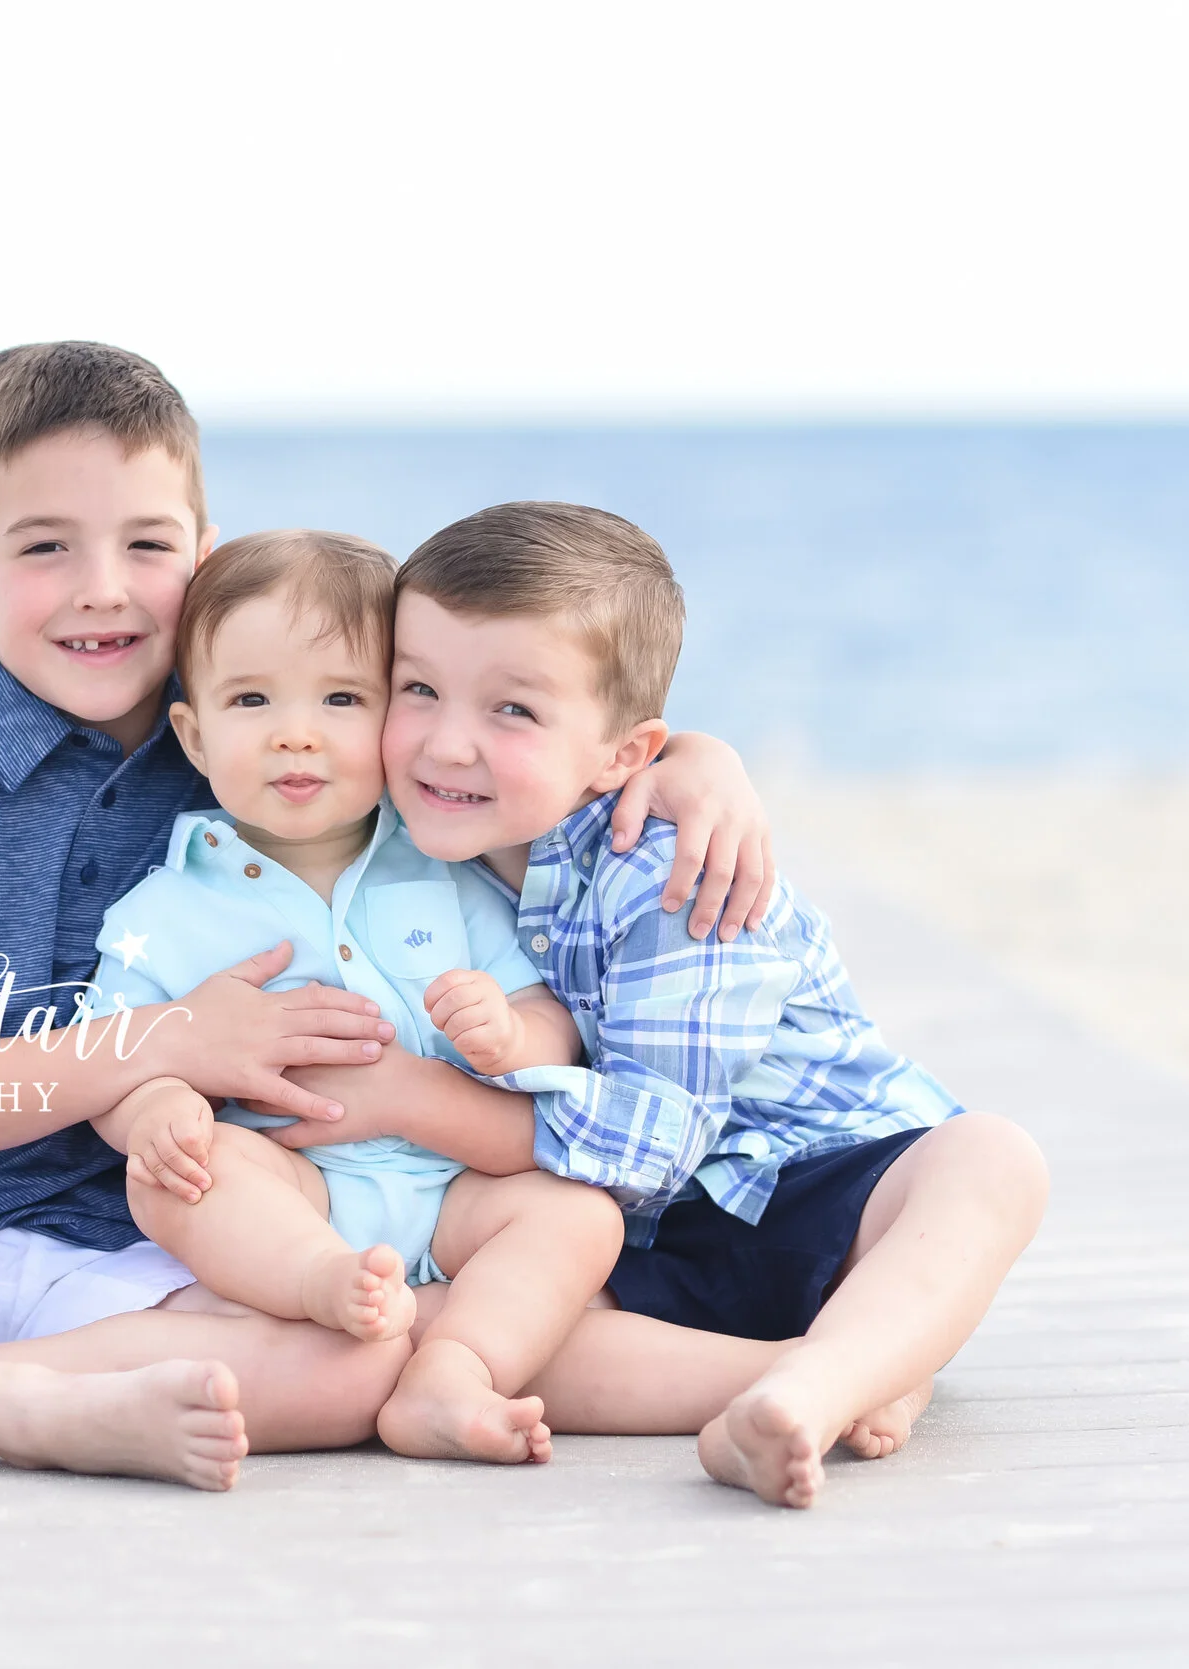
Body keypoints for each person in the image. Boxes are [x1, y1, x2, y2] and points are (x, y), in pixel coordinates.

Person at [0, 344, 781, 1490]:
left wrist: (695, 759)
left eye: (145, 546)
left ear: (205, 549)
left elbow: (493, 711)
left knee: (360, 1351)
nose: (103, 593)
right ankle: (4, 1407)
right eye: (42, 549)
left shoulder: (268, 741)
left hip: (154, 1239)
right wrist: (163, 1045)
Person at [370, 501, 1051, 1507]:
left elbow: (649, 1147)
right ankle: (821, 1376)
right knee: (443, 1322)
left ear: (620, 757)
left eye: (511, 709)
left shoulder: (672, 867)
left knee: (992, 1159)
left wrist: (405, 1098)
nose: (446, 743)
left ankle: (828, 1372)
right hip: (645, 1239)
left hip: (816, 1183)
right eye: (417, 688)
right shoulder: (423, 843)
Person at [83, 530, 621, 1464]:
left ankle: (455, 1367)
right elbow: (112, 1054)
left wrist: (507, 1036)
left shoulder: (446, 871)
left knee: (581, 1215)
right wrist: (157, 1109)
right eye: (252, 700)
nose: (298, 732)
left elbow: (548, 1020)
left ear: (391, 721)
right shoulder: (166, 909)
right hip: (296, 1188)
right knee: (184, 1175)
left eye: (341, 699)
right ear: (195, 734)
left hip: (452, 1187)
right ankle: (319, 1281)